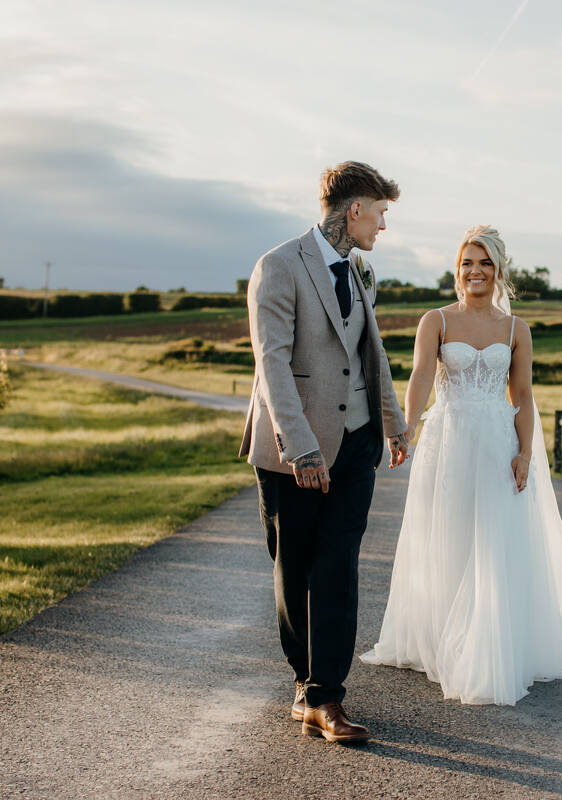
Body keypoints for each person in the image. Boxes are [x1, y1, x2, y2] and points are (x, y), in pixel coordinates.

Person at [360, 225, 562, 705]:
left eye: (485, 263)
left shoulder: (516, 330)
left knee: (492, 538)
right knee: (446, 534)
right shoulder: (437, 321)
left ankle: (488, 644)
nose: (476, 271)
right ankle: (435, 640)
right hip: (447, 441)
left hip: (496, 442)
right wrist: (404, 429)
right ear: (457, 270)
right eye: (468, 262)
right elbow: (422, 377)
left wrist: (525, 451)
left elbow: (523, 396)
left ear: (500, 271)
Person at [239, 161, 409, 743]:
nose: (384, 225)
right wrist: (302, 448)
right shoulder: (279, 266)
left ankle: (327, 697)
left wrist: (393, 424)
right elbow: (273, 364)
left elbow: (372, 353)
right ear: (355, 209)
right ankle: (303, 682)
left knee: (339, 568)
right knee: (295, 569)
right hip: (297, 450)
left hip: (357, 443)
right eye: (381, 212)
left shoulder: (360, 271)